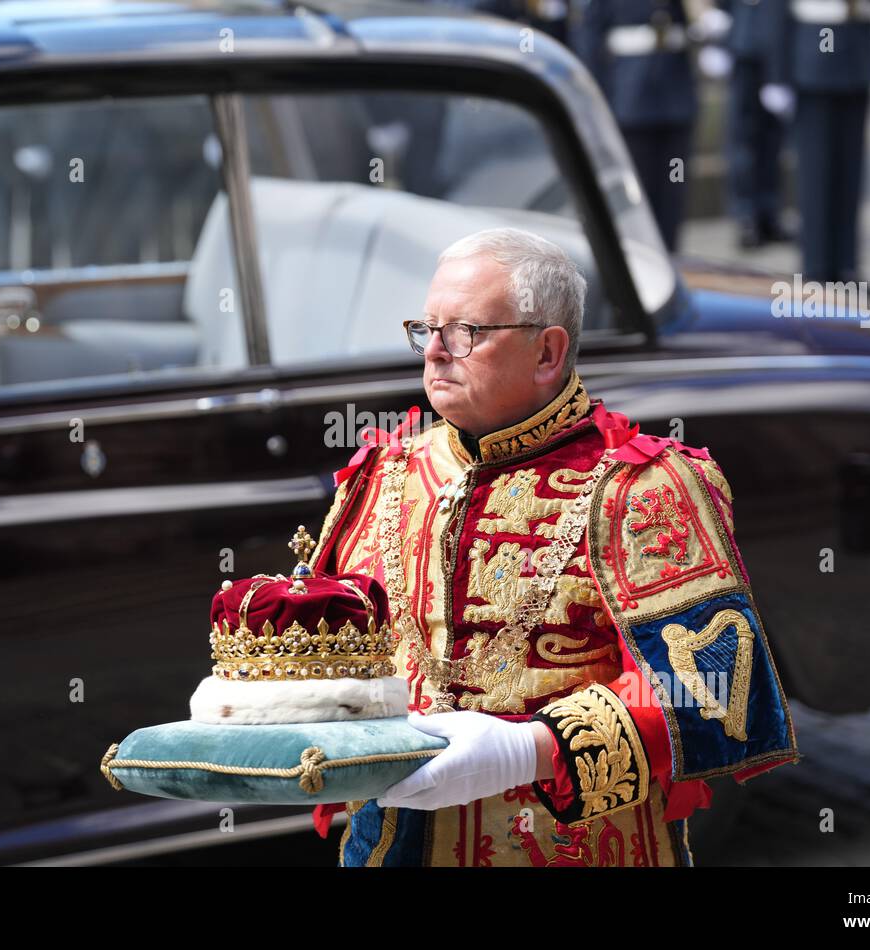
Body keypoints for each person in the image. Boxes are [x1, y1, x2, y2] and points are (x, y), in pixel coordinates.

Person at [306, 228, 800, 867]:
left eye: (465, 332)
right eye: (425, 328)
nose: (433, 353)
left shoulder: (644, 487)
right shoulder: (386, 469)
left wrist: (533, 750)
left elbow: (712, 689)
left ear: (547, 351)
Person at [767, 0, 870, 283]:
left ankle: (846, 266)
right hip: (813, 53)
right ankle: (816, 269)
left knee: (850, 170)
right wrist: (777, 74)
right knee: (816, 173)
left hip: (856, 49)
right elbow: (777, 9)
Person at [566, 0, 698, 251]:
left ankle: (671, 255)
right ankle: (639, 260)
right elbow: (589, 37)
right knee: (638, 191)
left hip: (675, 91)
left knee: (674, 184)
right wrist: (600, 95)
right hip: (629, 95)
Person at [713, 0, 796, 247]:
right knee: (744, 136)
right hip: (745, 36)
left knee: (773, 136)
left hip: (778, 41)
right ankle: (745, 214)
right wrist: (719, 40)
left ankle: (769, 212)